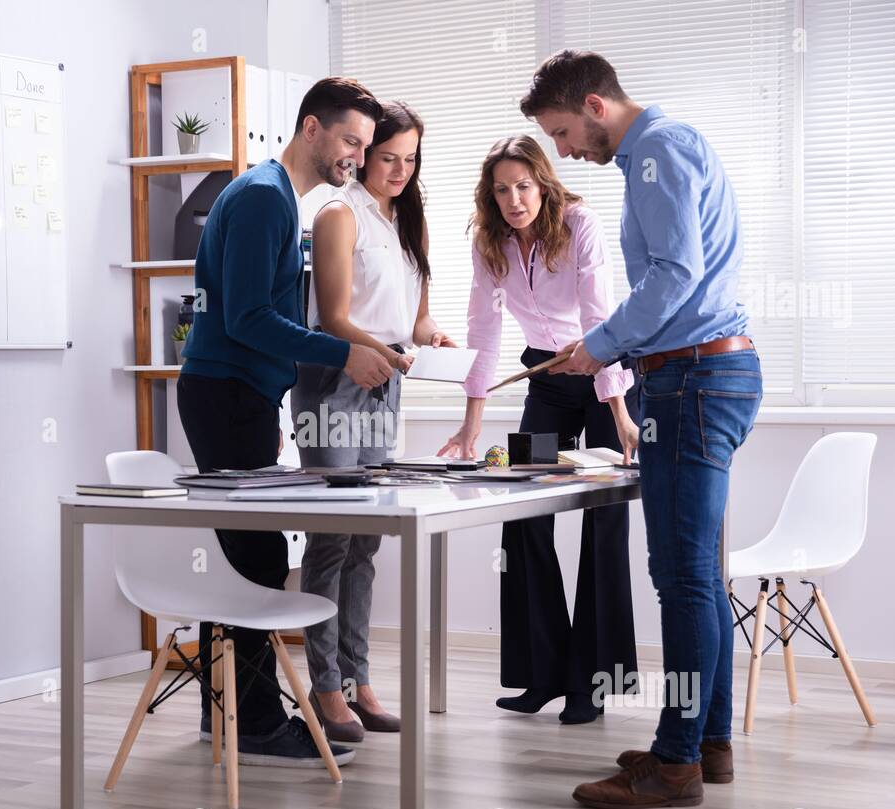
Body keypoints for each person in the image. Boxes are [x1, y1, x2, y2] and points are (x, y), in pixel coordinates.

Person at [523, 50, 763, 807]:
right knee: (698, 575)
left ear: (595, 106)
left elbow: (674, 275)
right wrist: (610, 345)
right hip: (702, 373)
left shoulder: (655, 149)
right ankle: (707, 743)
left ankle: (674, 763)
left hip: (693, 378)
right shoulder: (661, 149)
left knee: (682, 576)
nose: (562, 152)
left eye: (561, 132)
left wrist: (599, 346)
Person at [177, 77, 395, 767]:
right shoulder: (266, 200)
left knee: (252, 558)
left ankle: (231, 716)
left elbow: (257, 319)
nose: (357, 158)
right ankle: (258, 724)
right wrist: (343, 352)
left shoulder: (274, 199)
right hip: (224, 392)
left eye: (364, 146)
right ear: (311, 129)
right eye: (350, 141)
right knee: (261, 561)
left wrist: (274, 395)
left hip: (241, 394)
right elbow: (247, 318)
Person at [438, 134, 640, 724]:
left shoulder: (580, 224)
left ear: (543, 183)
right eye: (501, 189)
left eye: (523, 185)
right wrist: (471, 425)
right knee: (524, 514)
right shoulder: (491, 242)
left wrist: (622, 414)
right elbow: (483, 331)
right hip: (547, 377)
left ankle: (592, 684)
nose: (513, 199)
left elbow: (601, 317)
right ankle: (541, 673)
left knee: (603, 526)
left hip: (605, 376)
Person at [294, 100, 456, 742]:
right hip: (335, 382)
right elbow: (332, 316)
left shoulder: (408, 224)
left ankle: (359, 682)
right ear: (363, 154)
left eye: (410, 160)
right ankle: (325, 688)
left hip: (385, 383)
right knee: (332, 540)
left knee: (368, 542)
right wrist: (385, 350)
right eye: (388, 156)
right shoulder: (339, 215)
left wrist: (431, 337)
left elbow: (413, 319)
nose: (398, 170)